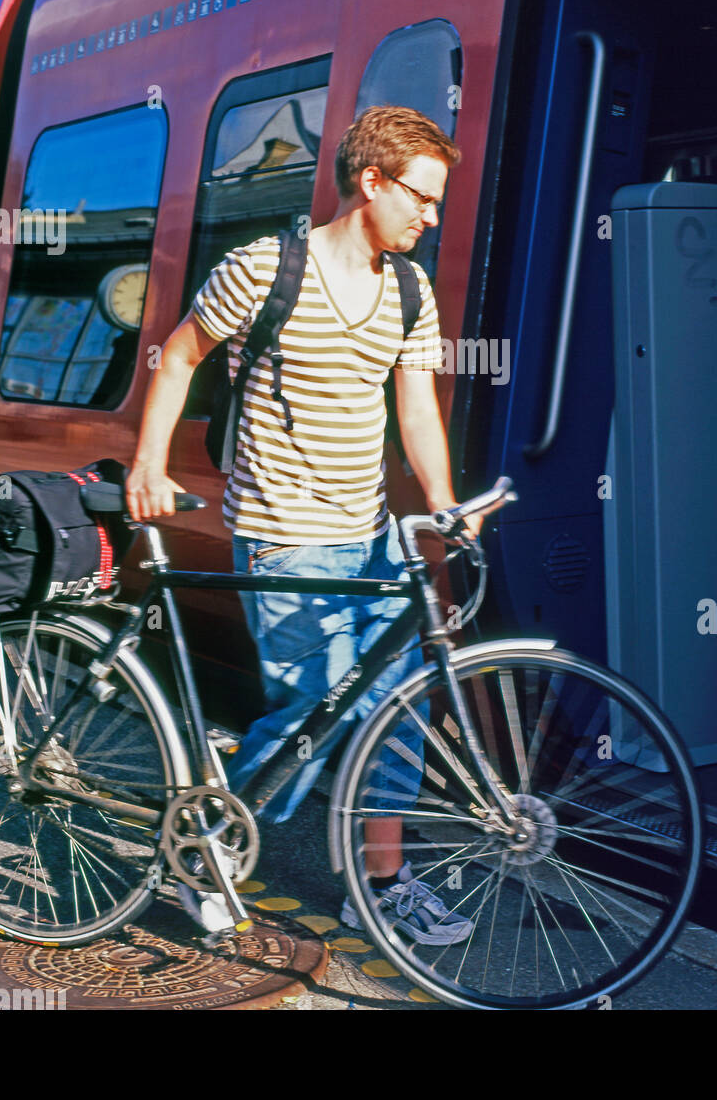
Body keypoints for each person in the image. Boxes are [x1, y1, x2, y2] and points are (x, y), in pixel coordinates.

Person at [126, 105, 479, 943]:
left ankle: (380, 884)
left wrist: (440, 504)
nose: (430, 218)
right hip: (283, 530)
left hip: (370, 531)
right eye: (421, 199)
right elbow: (177, 356)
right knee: (313, 710)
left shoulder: (409, 289)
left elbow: (418, 409)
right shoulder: (264, 270)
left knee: (399, 703)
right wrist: (147, 463)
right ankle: (206, 849)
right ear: (371, 183)